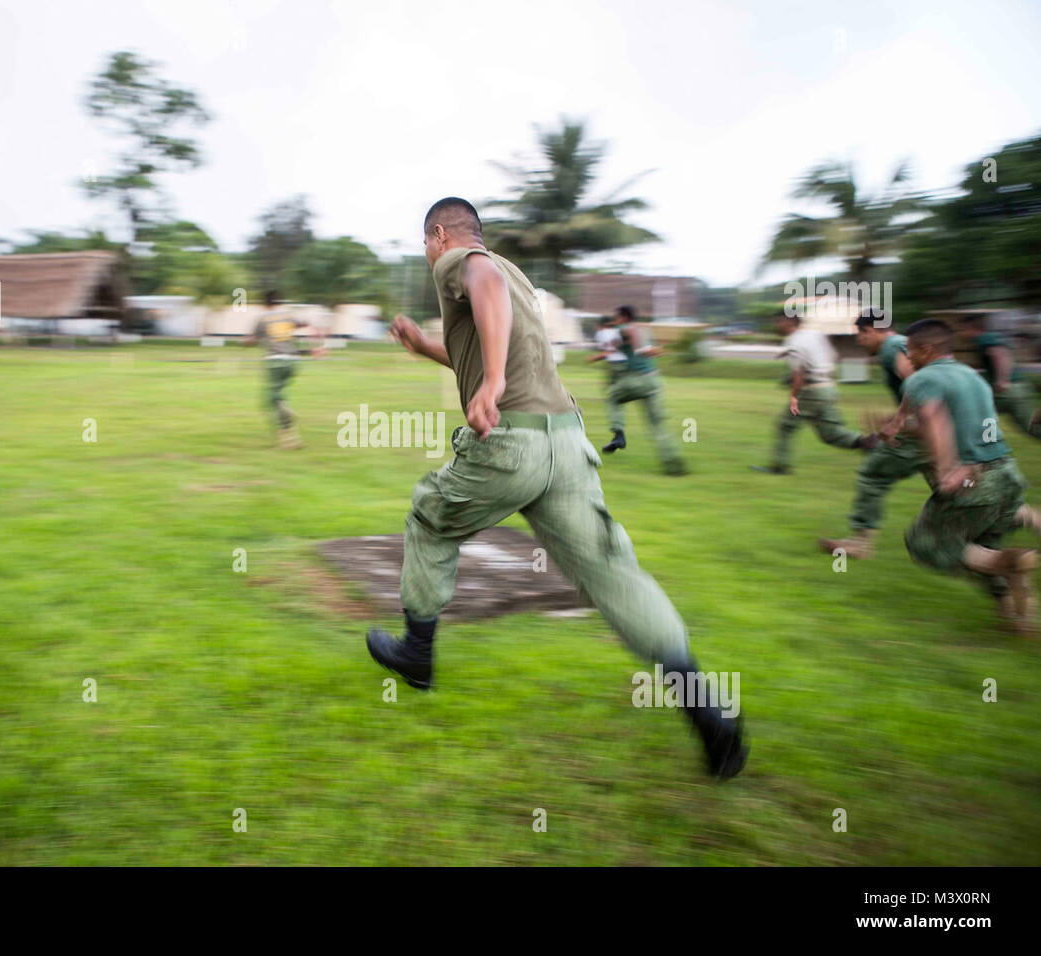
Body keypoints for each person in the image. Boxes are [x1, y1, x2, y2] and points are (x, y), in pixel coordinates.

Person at [365, 197, 746, 779]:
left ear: (440, 234)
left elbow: (482, 285)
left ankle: (417, 655)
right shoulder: (515, 275)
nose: (426, 254)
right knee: (610, 572)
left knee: (428, 519)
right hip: (566, 445)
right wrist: (428, 348)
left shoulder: (464, 261)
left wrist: (490, 384)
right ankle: (709, 718)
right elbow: (494, 334)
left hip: (510, 444)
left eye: (425, 243)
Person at [898, 318, 1038, 633]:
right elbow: (950, 423)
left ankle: (1010, 563)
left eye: (909, 351)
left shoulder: (924, 378)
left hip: (977, 480)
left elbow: (934, 417)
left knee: (925, 542)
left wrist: (948, 470)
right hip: (1007, 474)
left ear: (926, 349)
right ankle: (1018, 618)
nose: (907, 358)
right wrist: (897, 425)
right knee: (978, 548)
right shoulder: (972, 377)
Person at [818, 308, 925, 558]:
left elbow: (918, 383)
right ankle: (1026, 516)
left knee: (873, 474)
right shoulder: (902, 344)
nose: (859, 340)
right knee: (951, 485)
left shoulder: (890, 347)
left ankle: (860, 543)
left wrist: (898, 420)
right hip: (936, 426)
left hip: (926, 427)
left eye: (861, 334)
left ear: (872, 330)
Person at [752, 313, 877, 474]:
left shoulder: (793, 341)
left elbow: (799, 376)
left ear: (788, 323)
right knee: (831, 433)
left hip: (811, 391)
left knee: (785, 426)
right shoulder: (815, 335)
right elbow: (834, 357)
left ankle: (780, 467)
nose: (776, 326)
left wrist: (793, 397)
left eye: (778, 322)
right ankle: (870, 443)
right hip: (828, 388)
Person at [591, 306, 687, 475]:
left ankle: (618, 433)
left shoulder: (625, 328)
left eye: (617, 317)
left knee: (612, 397)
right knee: (658, 425)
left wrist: (640, 349)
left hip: (636, 379)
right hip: (654, 381)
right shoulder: (645, 329)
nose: (615, 321)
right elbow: (615, 349)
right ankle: (674, 463)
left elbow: (628, 335)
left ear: (623, 317)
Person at [245, 291, 323, 448]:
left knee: (270, 400)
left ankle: (287, 424)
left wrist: (244, 341)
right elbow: (308, 324)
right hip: (293, 362)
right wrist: (316, 347)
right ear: (279, 302)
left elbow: (250, 340)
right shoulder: (289, 316)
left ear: (264, 304)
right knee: (279, 396)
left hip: (275, 362)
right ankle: (288, 436)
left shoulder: (262, 319)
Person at [959, 312, 1041, 439]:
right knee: (981, 409)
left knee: (1032, 429)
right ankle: (989, 441)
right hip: (1015, 390)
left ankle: (988, 442)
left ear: (971, 328)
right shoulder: (986, 339)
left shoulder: (985, 338)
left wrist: (1002, 380)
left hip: (1010, 392)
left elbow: (1000, 354)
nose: (960, 333)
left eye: (962, 329)